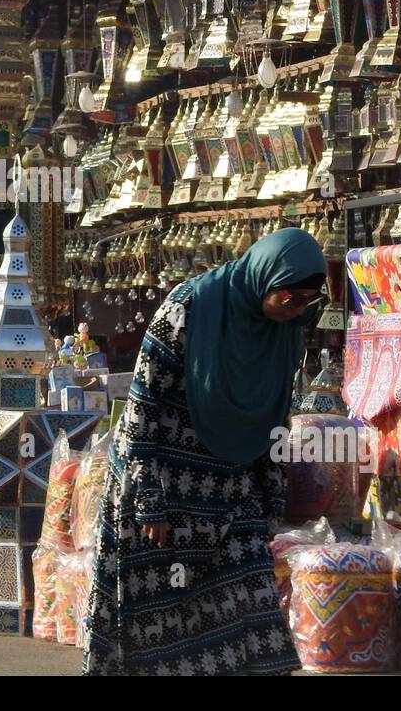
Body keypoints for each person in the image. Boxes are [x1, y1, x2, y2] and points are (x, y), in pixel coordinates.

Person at [83, 227, 327, 676]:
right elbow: (143, 403)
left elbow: (274, 413)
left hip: (233, 489)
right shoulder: (191, 307)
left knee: (251, 613)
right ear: (264, 279)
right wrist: (149, 502)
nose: (296, 310)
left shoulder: (286, 332)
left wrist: (272, 500)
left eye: (307, 302)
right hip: (163, 487)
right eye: (290, 299)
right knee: (161, 625)